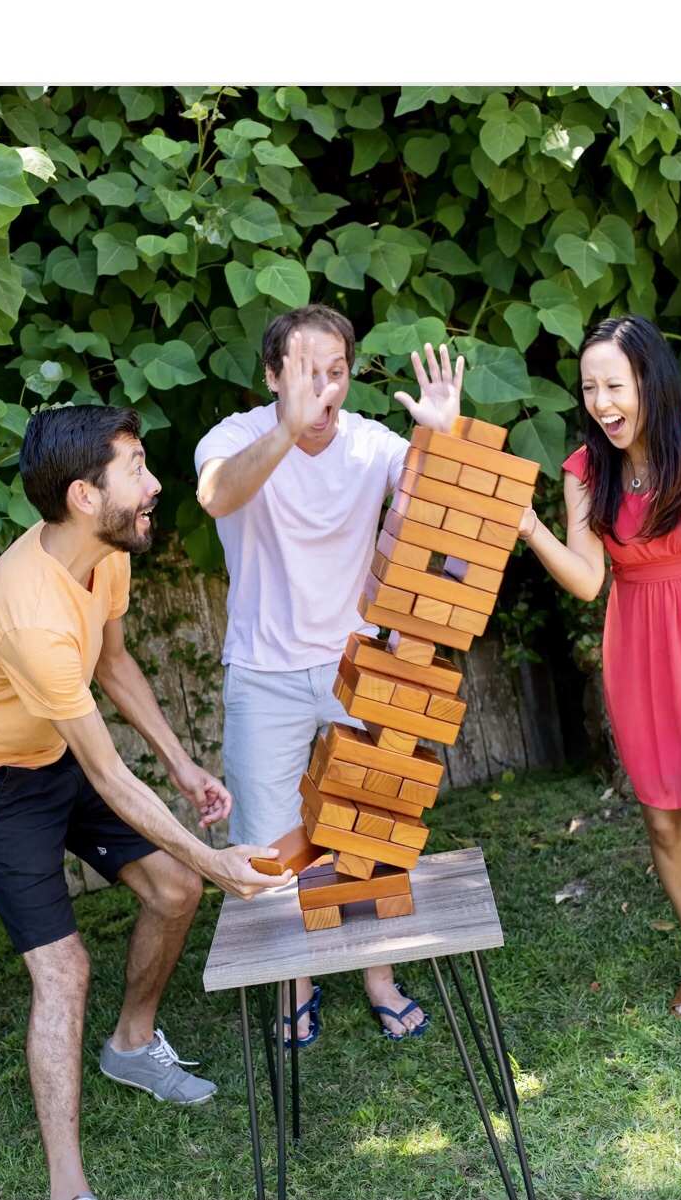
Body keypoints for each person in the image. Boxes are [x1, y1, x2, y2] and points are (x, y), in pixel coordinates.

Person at [0, 405, 289, 1200]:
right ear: (80, 494)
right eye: (136, 467)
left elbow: (114, 659)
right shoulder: (28, 612)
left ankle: (132, 1044)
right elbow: (107, 775)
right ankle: (66, 1185)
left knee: (175, 889)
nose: (153, 483)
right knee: (64, 970)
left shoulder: (105, 554)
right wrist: (214, 855)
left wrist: (181, 765)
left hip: (56, 753)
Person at [195, 303, 465, 1044]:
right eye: (307, 374)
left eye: (337, 373)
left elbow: (436, 514)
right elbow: (217, 494)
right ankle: (296, 979)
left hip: (358, 663)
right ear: (272, 375)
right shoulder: (235, 437)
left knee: (373, 823)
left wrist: (439, 441)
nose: (324, 391)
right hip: (263, 674)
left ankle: (378, 970)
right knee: (268, 844)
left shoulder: (370, 444)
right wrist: (286, 428)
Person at [518, 316, 681, 1019]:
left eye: (612, 384)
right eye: (588, 387)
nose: (599, 401)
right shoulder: (587, 471)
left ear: (647, 381)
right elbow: (589, 579)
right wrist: (531, 529)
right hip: (641, 651)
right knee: (664, 822)